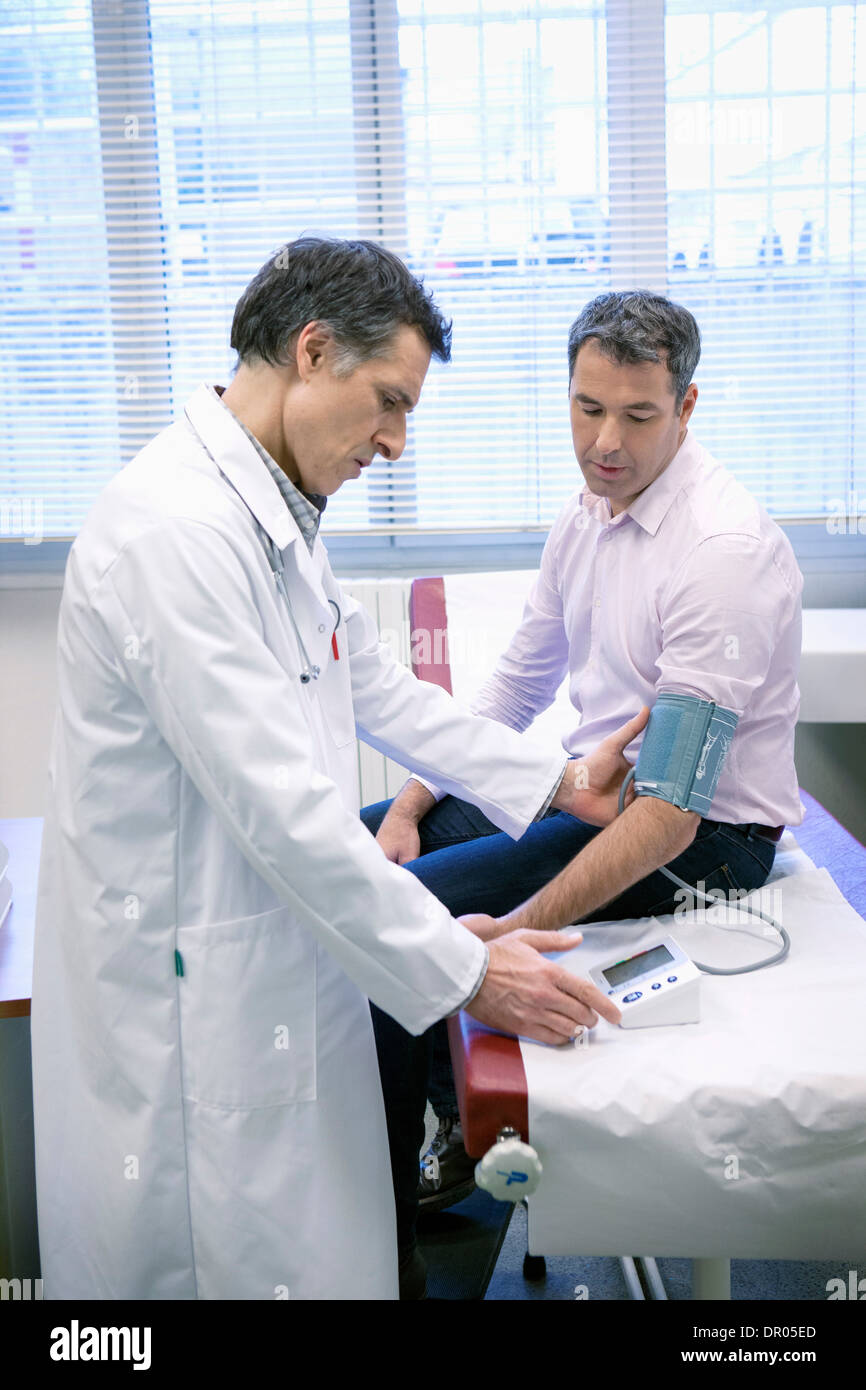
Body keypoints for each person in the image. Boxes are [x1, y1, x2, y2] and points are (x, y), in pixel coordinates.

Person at [30, 238, 649, 1302]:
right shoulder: (174, 533)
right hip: (191, 1011)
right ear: (312, 350)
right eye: (388, 401)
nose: (396, 443)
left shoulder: (270, 516)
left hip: (267, 964)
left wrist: (552, 783)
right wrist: (468, 971)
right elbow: (283, 811)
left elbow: (373, 687)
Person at [365, 289, 803, 1290]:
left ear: (685, 407)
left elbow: (668, 815)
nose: (604, 442)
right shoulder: (590, 509)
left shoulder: (720, 554)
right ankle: (429, 1125)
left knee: (405, 916)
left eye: (637, 416)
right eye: (584, 408)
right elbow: (519, 680)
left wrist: (506, 936)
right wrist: (411, 800)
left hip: (702, 837)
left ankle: (395, 1221)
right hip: (598, 789)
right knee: (360, 855)